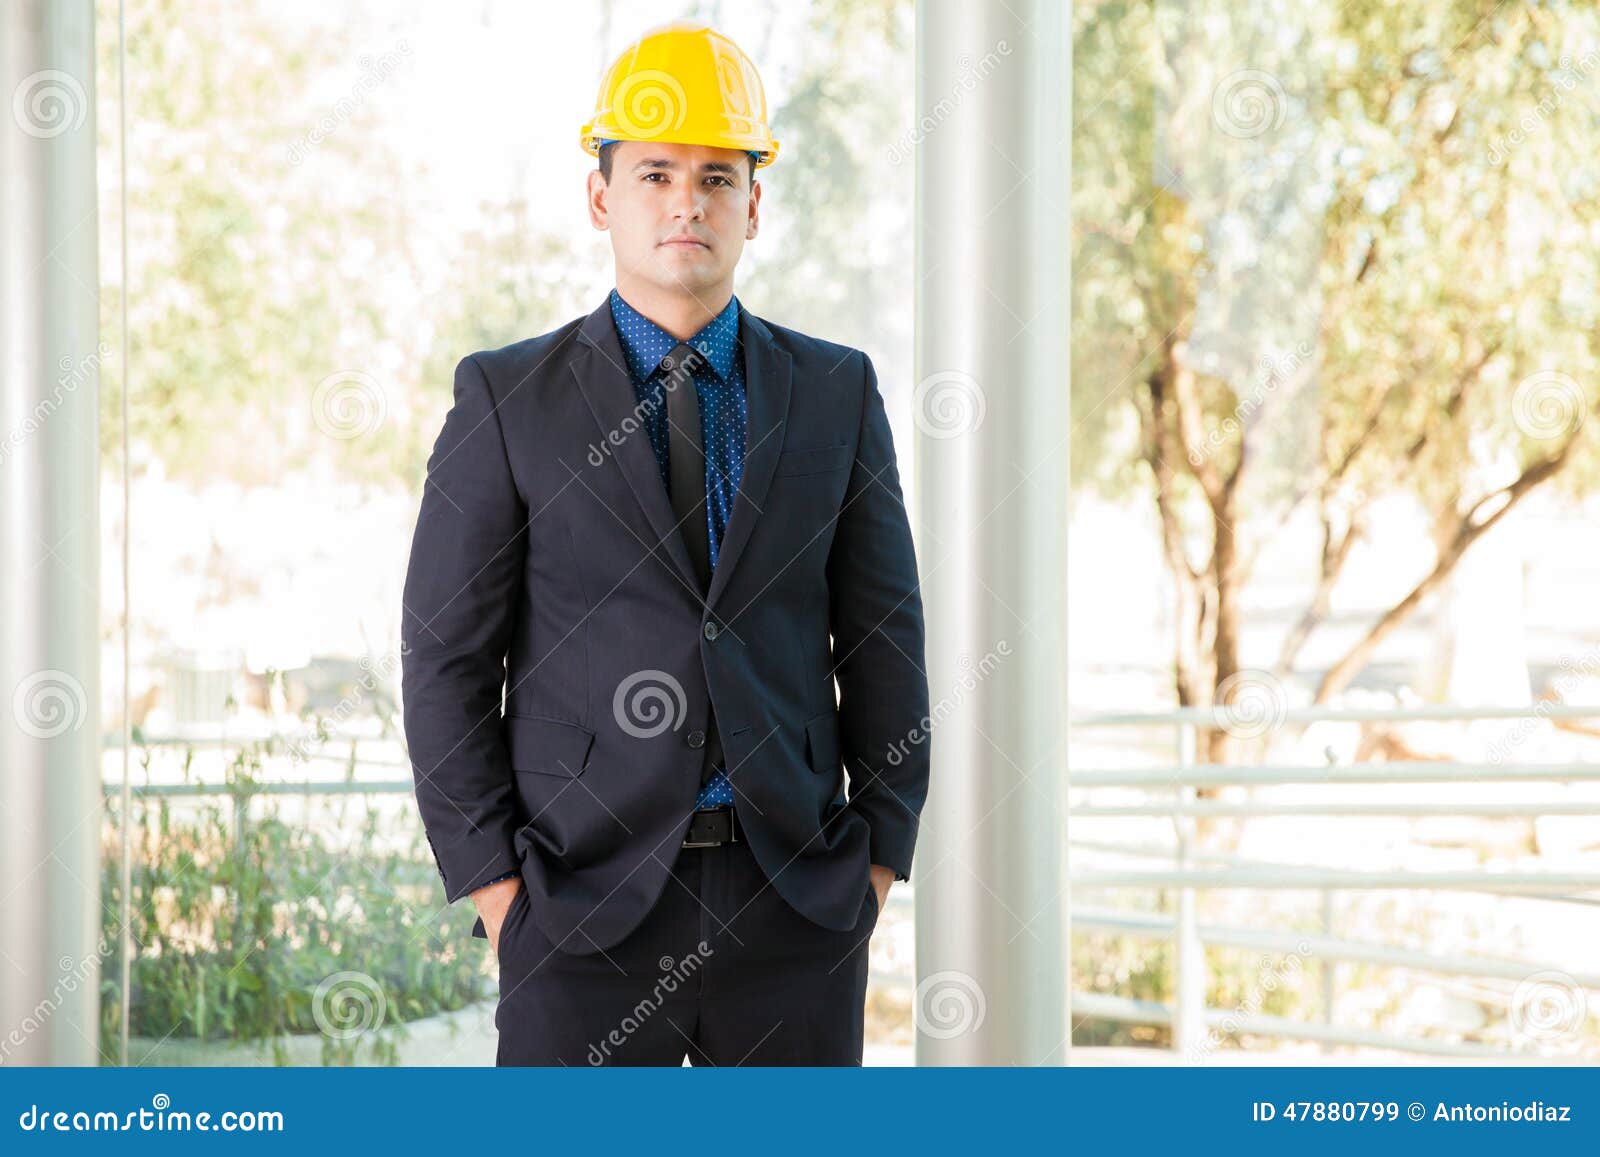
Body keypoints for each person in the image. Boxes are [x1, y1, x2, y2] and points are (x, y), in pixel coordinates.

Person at [400, 20, 929, 1066]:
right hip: (579, 908)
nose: (687, 201)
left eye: (717, 177)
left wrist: (875, 859)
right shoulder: (508, 399)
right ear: (602, 199)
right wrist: (501, 894)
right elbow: (444, 655)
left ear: (754, 204)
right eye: (654, 173)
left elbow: (885, 638)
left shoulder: (835, 391)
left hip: (795, 907)